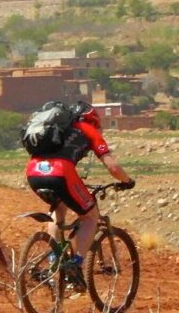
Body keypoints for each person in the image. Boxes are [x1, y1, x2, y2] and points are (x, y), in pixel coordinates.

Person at [22, 103, 134, 280]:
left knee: (58, 210)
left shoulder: (58, 130)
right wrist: (127, 181)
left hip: (34, 172)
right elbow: (113, 167)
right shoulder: (88, 129)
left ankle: (55, 260)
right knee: (90, 216)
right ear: (94, 120)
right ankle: (76, 264)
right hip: (61, 172)